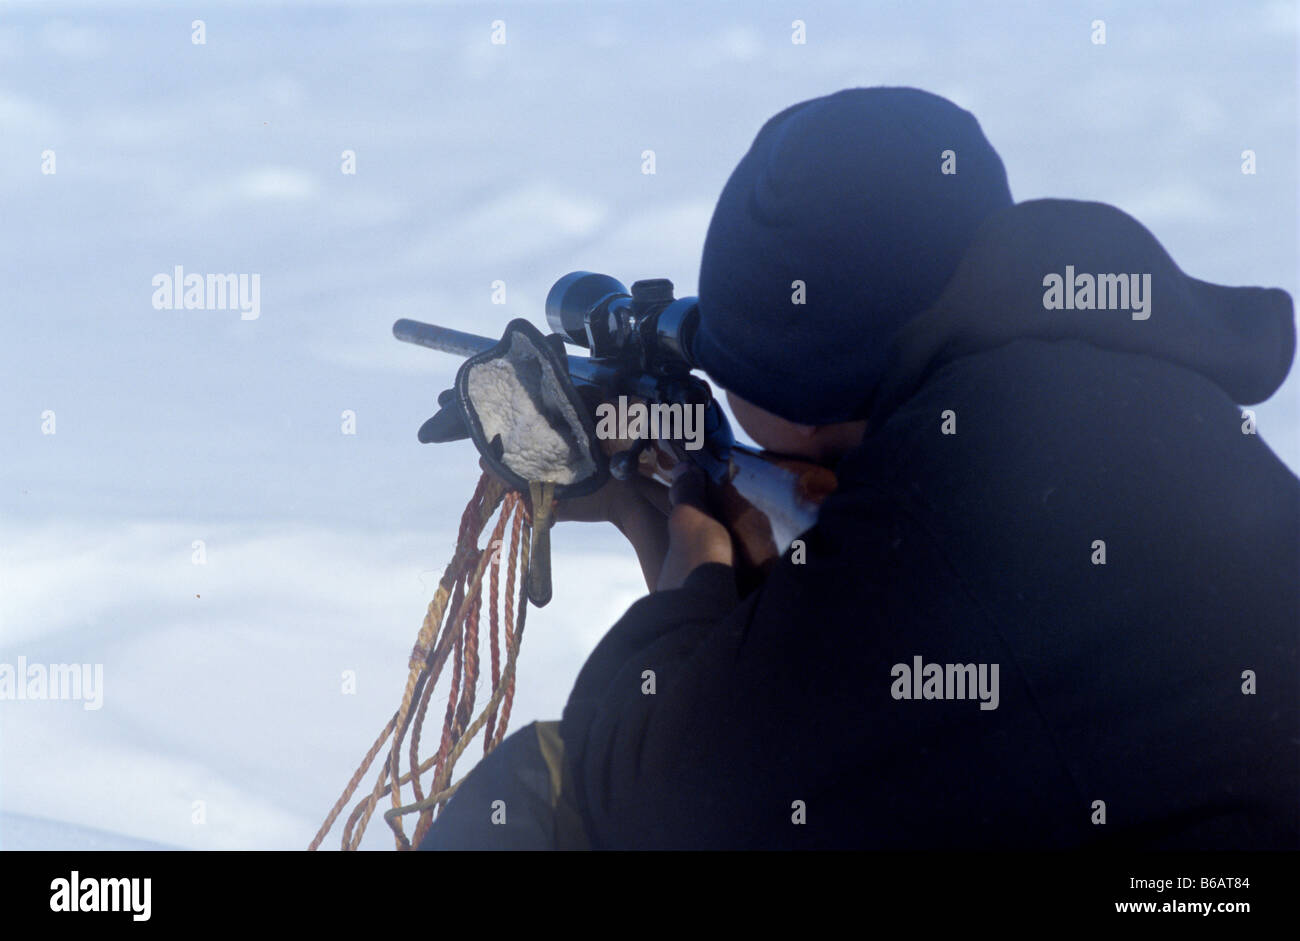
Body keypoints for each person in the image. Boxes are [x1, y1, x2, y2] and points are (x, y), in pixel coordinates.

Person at [421, 86, 1298, 850]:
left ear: (821, 397)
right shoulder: (1126, 398)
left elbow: (648, 809)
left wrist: (685, 556)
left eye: (790, 452)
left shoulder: (948, 517)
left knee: (533, 807)